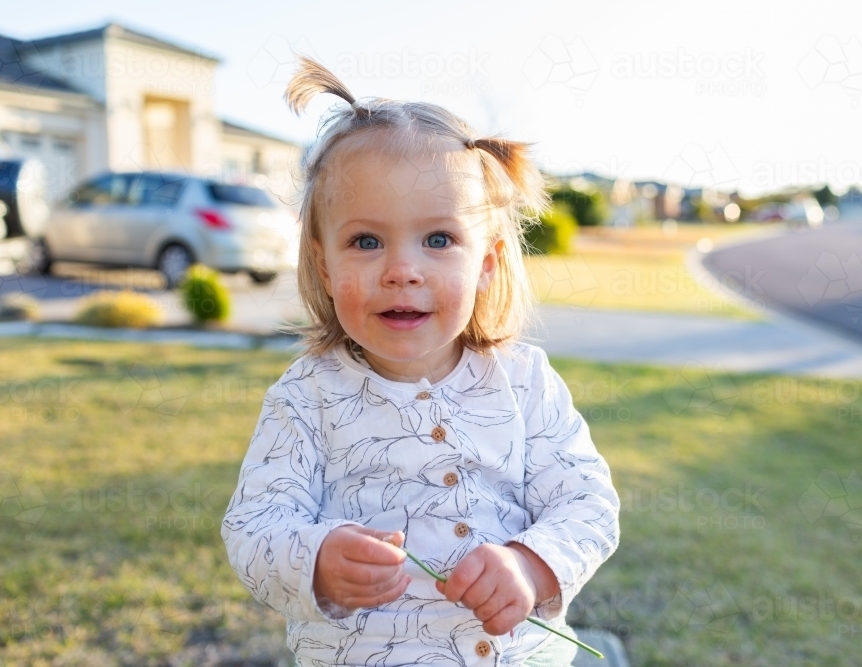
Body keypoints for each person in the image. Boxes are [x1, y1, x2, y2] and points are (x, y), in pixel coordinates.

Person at [221, 55, 621, 667]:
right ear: (324, 266)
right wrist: (317, 558)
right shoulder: (307, 397)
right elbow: (254, 526)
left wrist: (530, 565)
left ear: (485, 264)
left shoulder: (523, 382)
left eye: (438, 239)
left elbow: (586, 502)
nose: (402, 270)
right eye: (366, 241)